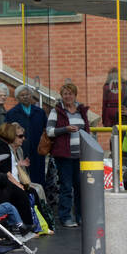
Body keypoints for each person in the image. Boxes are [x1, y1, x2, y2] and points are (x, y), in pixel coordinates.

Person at [47, 82, 89, 228]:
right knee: (66, 187)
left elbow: (87, 131)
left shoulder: (81, 111)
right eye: (65, 94)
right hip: (64, 156)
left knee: (80, 187)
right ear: (61, 96)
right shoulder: (56, 111)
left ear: (75, 95)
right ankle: (65, 217)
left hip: (80, 156)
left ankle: (80, 216)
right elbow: (49, 131)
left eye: (70, 93)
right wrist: (65, 129)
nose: (68, 96)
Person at [0, 121, 37, 234]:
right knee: (22, 196)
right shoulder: (2, 146)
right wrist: (19, 185)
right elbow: (7, 172)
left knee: (26, 193)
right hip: (2, 182)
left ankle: (23, 224)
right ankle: (26, 225)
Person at [5, 85, 47, 184]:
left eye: (27, 94)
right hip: (19, 150)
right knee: (22, 176)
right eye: (22, 95)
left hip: (37, 149)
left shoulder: (40, 112)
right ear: (17, 98)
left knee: (38, 177)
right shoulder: (11, 113)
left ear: (31, 96)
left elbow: (46, 129)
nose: (25, 97)